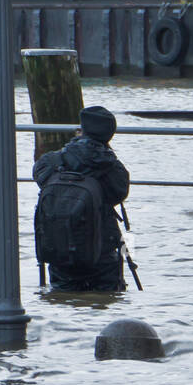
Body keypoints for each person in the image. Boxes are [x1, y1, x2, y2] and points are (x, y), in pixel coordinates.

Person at [32, 105, 130, 293]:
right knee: (107, 301)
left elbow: (40, 177)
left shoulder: (52, 161)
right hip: (102, 247)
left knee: (62, 299)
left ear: (81, 130)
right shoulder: (113, 169)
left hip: (60, 245)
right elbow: (119, 193)